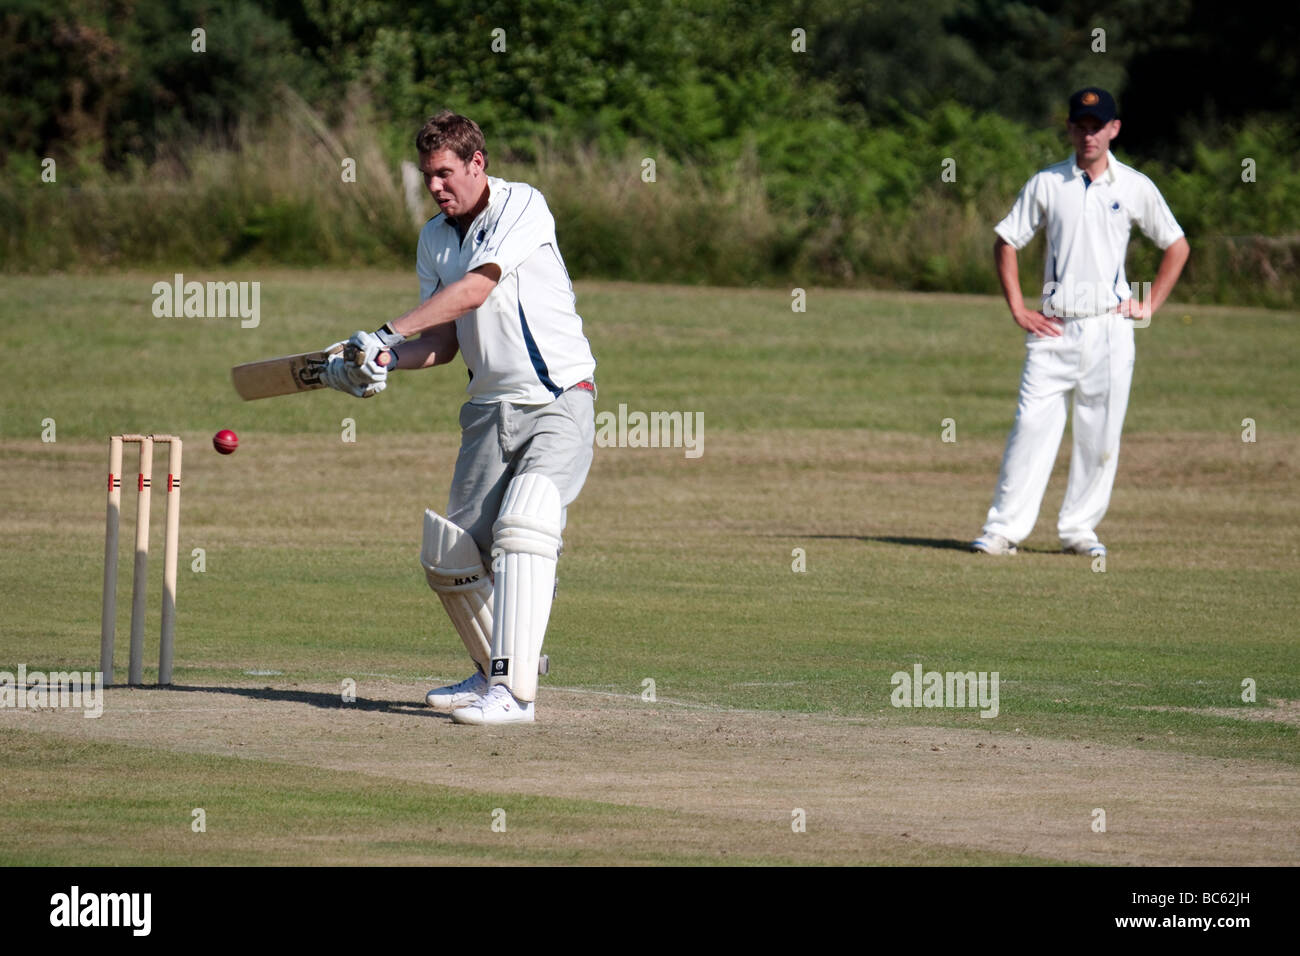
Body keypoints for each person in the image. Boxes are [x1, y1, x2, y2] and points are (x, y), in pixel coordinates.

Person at [321, 111, 597, 724]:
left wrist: (386, 331)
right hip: (486, 413)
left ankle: (515, 695)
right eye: (428, 177)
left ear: (478, 163)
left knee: (525, 523)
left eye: (446, 173)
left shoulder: (522, 205)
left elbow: (477, 288)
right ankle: (489, 673)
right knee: (457, 559)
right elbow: (443, 343)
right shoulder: (433, 239)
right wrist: (384, 360)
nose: (437, 187)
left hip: (556, 397)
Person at [971, 88, 1190, 557]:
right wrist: (1017, 308)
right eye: (1080, 125)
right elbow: (1006, 240)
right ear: (1070, 128)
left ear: (1114, 129)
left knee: (1100, 434)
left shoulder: (1133, 186)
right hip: (1051, 329)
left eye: (1098, 126)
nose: (1088, 134)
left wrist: (1148, 305)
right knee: (1030, 428)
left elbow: (1176, 244)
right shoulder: (1047, 184)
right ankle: (1003, 531)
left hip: (1109, 328)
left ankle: (1078, 531)